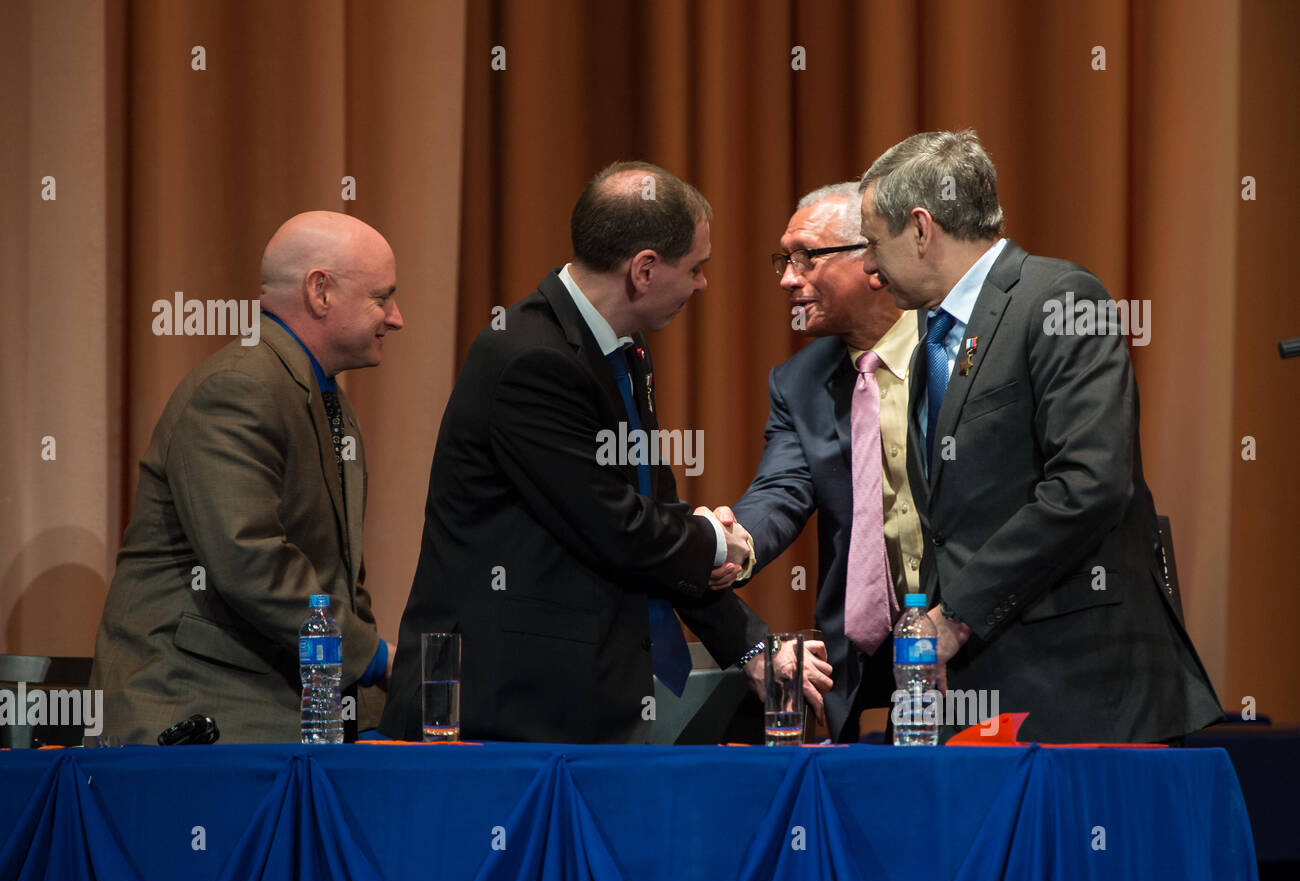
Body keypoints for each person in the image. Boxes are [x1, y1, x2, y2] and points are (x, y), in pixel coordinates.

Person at [379, 162, 830, 744]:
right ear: (644, 270)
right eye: (696, 268)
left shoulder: (622, 349)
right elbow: (613, 525)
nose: (702, 285)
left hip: (576, 706)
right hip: (499, 714)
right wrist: (715, 539)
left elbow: (650, 514)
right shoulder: (528, 358)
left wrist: (752, 646)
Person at [856, 130, 1222, 742]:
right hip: (983, 695)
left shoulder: (1061, 298)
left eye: (873, 243)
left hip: (1085, 689)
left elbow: (1091, 483)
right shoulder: (929, 345)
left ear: (921, 229)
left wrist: (958, 616)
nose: (868, 265)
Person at [91, 211, 401, 744]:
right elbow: (250, 561)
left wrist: (369, 712)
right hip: (199, 711)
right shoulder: (238, 388)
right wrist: (371, 659)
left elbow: (341, 581)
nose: (395, 318)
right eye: (382, 297)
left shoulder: (328, 403)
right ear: (320, 292)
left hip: (286, 709)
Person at [712, 183, 922, 742]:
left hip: (973, 650)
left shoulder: (953, 355)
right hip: (857, 662)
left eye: (807, 257)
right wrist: (734, 543)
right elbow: (780, 490)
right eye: (785, 259)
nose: (786, 277)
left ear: (874, 262)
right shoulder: (798, 381)